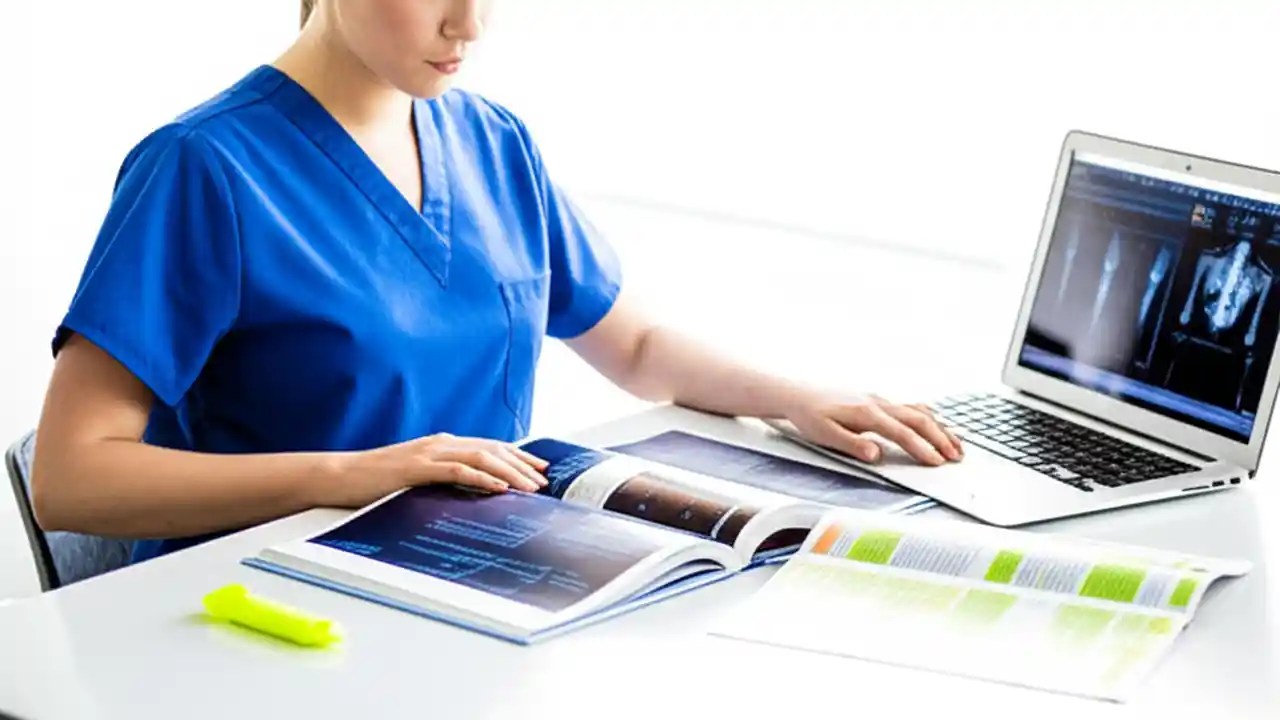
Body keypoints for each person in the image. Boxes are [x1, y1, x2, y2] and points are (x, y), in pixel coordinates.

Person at [31, 0, 962, 564]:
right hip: (254, 601)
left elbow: (634, 345)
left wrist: (797, 399)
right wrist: (354, 476)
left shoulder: (491, 139)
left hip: (467, 571)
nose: (469, 24)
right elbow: (72, 480)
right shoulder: (204, 168)